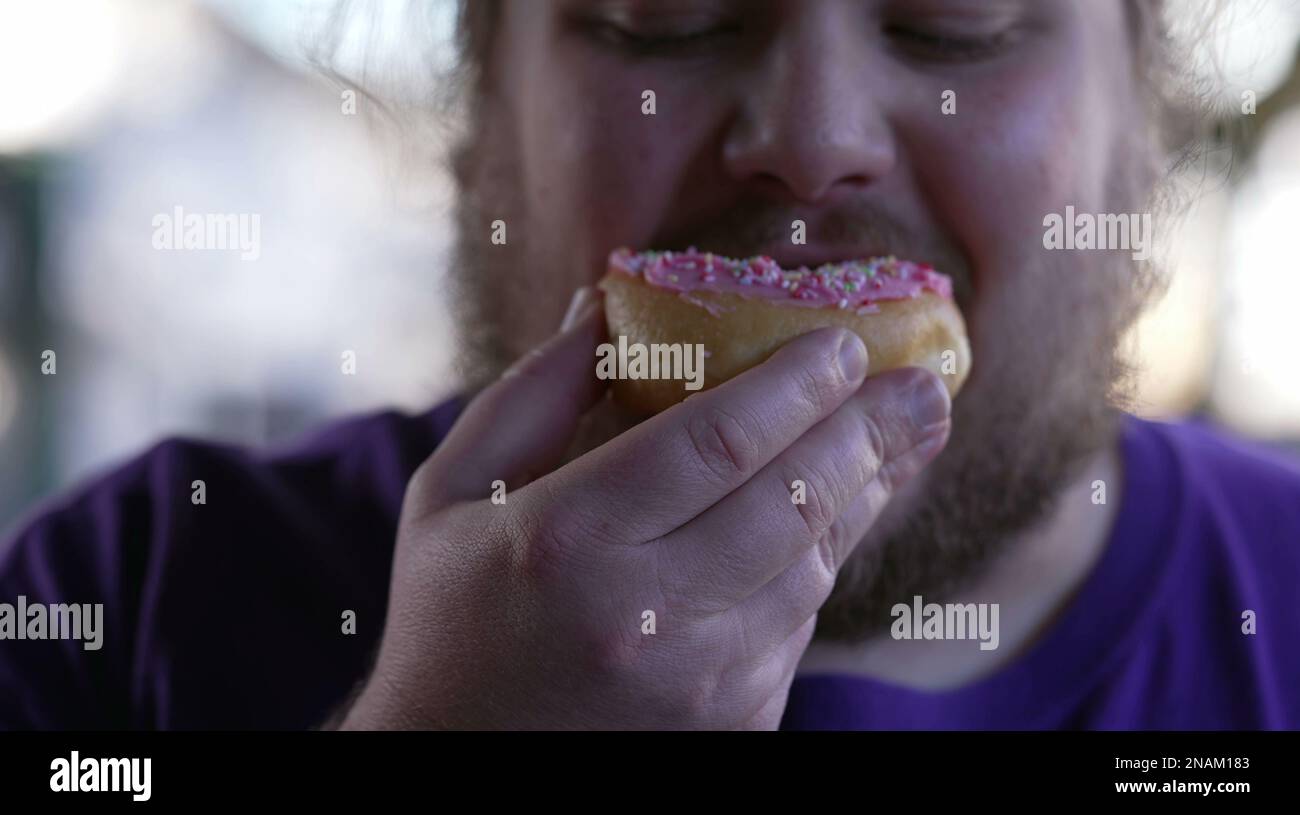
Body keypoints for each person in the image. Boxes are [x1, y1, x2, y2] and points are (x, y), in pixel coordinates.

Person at [2, 0, 1298, 730]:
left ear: (1146, 126)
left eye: (956, 21)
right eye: (665, 17)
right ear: (485, 116)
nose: (812, 137)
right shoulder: (115, 608)